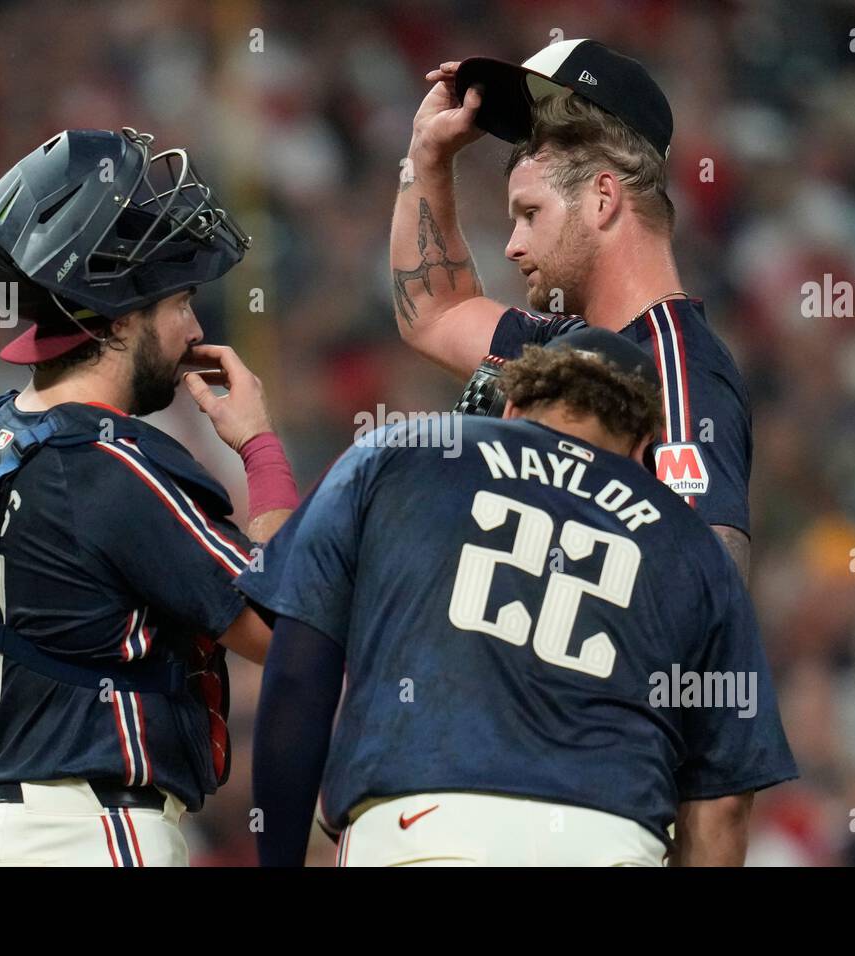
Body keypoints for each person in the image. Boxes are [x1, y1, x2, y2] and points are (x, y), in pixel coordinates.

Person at [242, 328, 796, 867]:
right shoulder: (694, 545)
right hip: (610, 839)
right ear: (641, 449)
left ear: (511, 408)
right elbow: (722, 806)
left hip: (426, 826)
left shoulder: (395, 451)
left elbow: (296, 674)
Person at [0, 127, 298, 866]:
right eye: (181, 300)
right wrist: (260, 448)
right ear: (121, 317)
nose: (194, 327)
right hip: (94, 830)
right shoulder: (109, 459)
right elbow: (287, 623)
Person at [390, 39, 754, 581]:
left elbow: (712, 583)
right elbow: (434, 310)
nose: (512, 246)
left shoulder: (676, 367)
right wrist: (427, 156)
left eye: (530, 214)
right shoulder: (567, 350)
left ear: (603, 199)